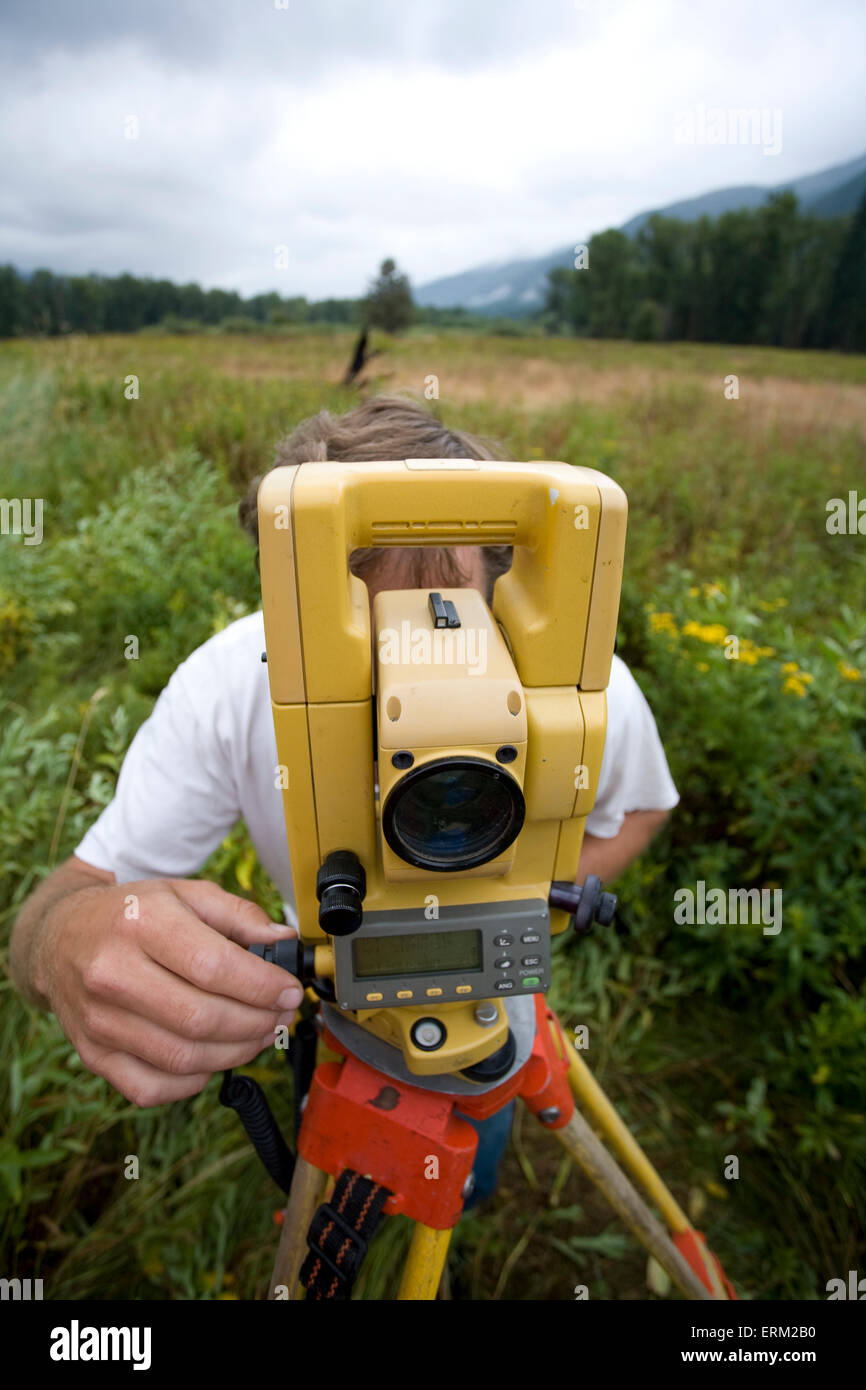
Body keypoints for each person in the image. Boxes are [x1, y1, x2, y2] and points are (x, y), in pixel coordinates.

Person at [9, 396, 679, 1201]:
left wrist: (522, 911)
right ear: (284, 611)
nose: (415, 682)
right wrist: (61, 943)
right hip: (337, 1026)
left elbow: (640, 807)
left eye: (449, 628)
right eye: (367, 648)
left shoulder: (570, 690)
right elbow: (65, 905)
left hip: (490, 1016)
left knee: (462, 1184)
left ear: (504, 590)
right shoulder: (229, 685)